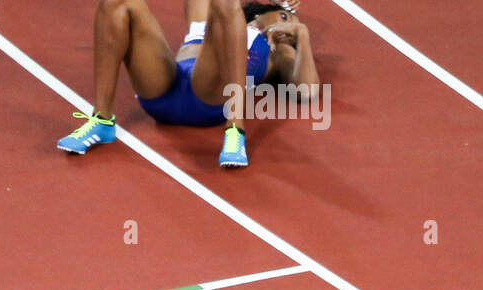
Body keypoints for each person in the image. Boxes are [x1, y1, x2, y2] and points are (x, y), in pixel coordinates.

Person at [57, 0, 320, 168]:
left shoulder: (279, 53)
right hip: (164, 90)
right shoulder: (213, 15)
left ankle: (235, 132)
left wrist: (303, 36)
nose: (291, 28)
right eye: (286, 18)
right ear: (260, 13)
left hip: (209, 99)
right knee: (119, 2)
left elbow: (307, 91)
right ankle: (102, 121)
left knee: (226, 6)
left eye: (294, 28)